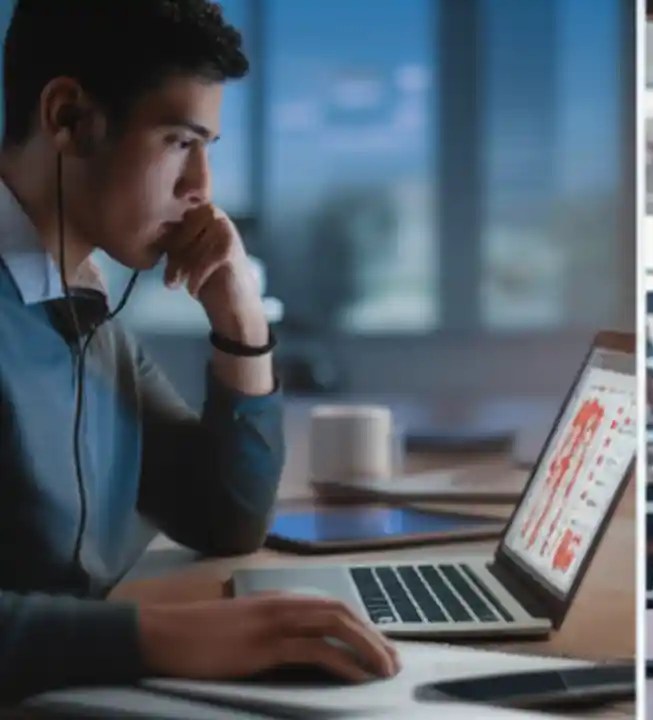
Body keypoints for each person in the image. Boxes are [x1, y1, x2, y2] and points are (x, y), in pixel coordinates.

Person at [0, 0, 398, 700]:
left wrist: (241, 318)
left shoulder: (83, 311)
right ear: (66, 116)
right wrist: (171, 637)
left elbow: (224, 515)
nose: (201, 190)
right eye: (180, 142)